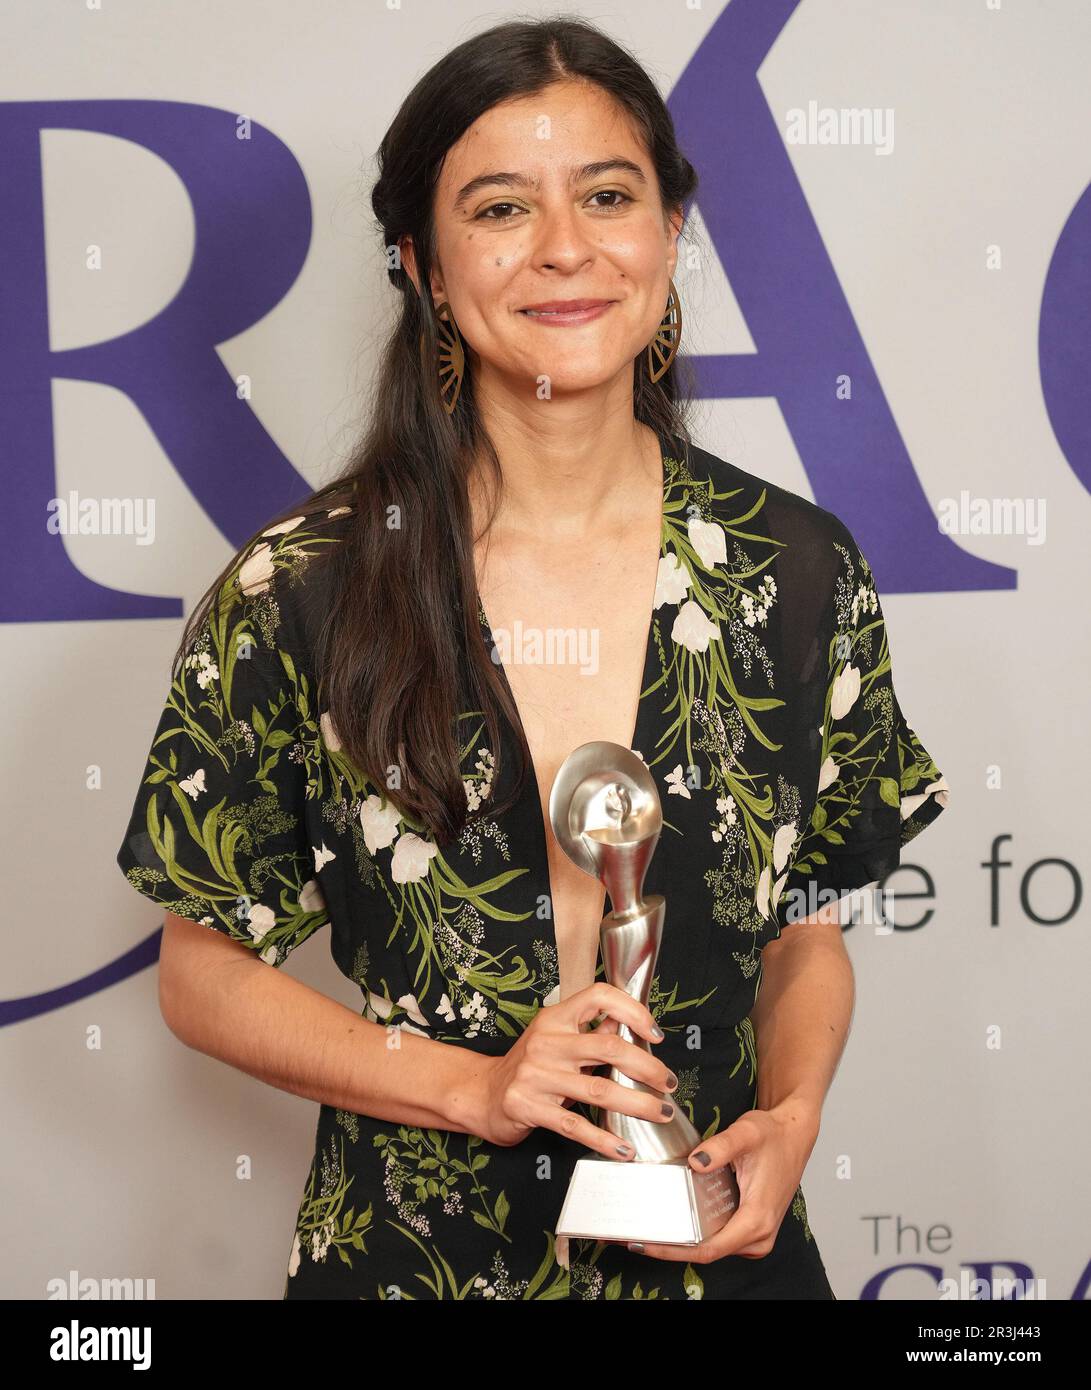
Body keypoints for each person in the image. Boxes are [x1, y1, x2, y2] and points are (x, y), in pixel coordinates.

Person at [115, 15, 950, 1301]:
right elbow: (202, 967)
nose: (566, 247)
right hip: (409, 1262)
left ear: (669, 231)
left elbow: (803, 928)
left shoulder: (793, 570)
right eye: (500, 207)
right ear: (422, 265)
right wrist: (475, 1087)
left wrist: (791, 1118)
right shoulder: (302, 589)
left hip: (720, 1260)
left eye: (608, 196)